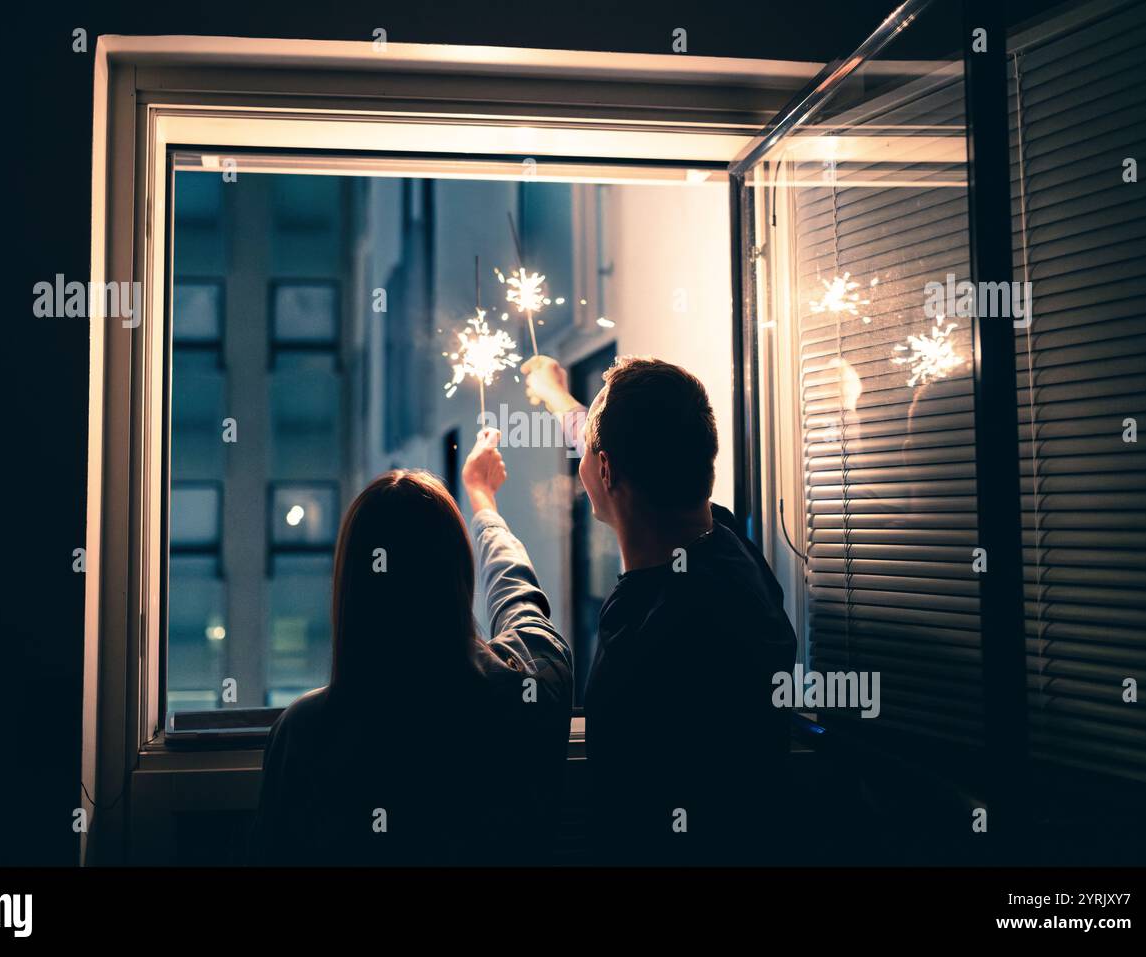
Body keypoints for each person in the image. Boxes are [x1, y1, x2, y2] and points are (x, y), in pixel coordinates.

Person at [520, 353, 798, 864]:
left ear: (604, 468)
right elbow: (633, 443)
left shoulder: (647, 637)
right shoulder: (728, 543)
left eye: (588, 452)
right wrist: (557, 396)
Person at [252, 447, 572, 865]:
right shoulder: (528, 696)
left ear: (351, 584)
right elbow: (521, 604)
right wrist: (483, 502)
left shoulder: (302, 734)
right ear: (458, 576)